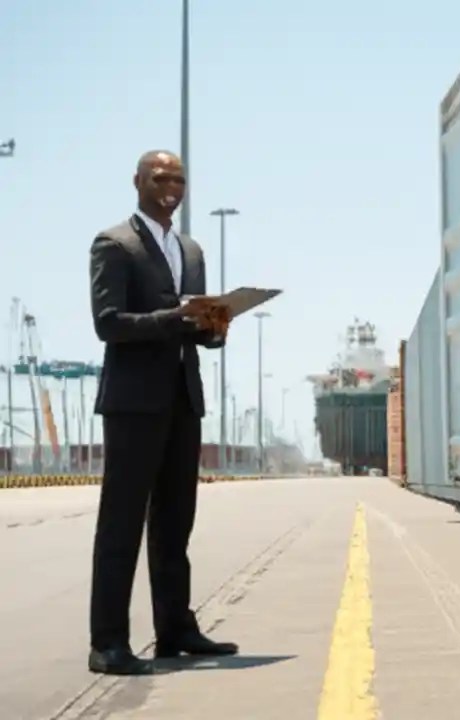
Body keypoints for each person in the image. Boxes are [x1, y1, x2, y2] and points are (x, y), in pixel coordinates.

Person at [87, 150, 239, 675]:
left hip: (182, 398)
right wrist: (173, 319)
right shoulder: (115, 244)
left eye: (178, 178)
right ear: (138, 182)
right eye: (160, 177)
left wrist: (214, 328)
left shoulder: (191, 250)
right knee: (121, 526)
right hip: (133, 402)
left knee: (175, 522)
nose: (171, 185)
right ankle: (108, 642)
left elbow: (194, 333)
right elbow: (109, 323)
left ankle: (175, 628)